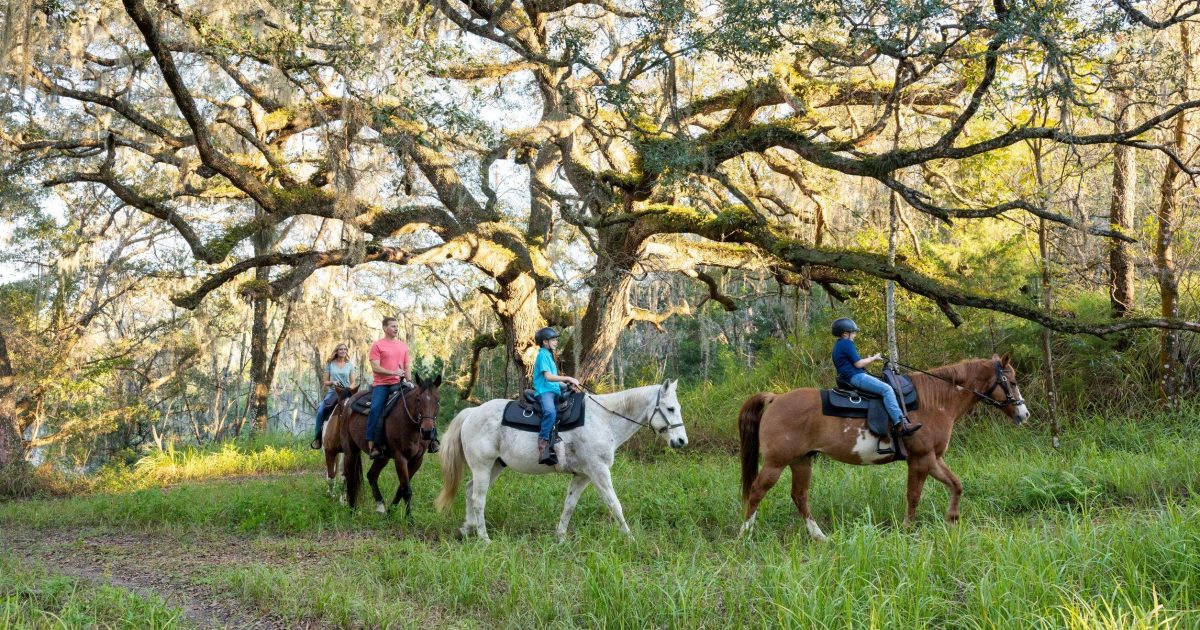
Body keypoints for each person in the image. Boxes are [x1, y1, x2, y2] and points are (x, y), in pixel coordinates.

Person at [831, 317, 921, 437]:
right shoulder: (847, 343)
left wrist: (869, 358)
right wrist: (873, 358)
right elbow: (858, 363)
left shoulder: (838, 345)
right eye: (853, 332)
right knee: (887, 389)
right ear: (845, 333)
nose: (855, 335)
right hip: (856, 377)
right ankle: (901, 423)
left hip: (849, 377)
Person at [366, 316, 439, 458]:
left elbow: (407, 366)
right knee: (375, 409)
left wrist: (410, 380)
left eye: (397, 326)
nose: (396, 329)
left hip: (400, 383)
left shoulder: (402, 345)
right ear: (385, 328)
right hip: (382, 385)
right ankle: (374, 444)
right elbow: (375, 367)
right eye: (393, 326)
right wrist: (393, 372)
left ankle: (433, 440)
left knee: (425, 402)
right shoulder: (377, 345)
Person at [532, 327, 581, 466]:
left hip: (554, 391)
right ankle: (543, 445)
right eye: (553, 340)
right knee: (550, 412)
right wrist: (569, 377)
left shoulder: (549, 356)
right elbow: (548, 377)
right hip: (544, 391)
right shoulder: (542, 355)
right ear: (545, 342)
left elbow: (556, 381)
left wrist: (567, 385)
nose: (556, 342)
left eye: (555, 339)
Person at [311, 343, 356, 450]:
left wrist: (349, 388)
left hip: (346, 392)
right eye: (341, 349)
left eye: (345, 349)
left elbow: (353, 382)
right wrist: (333, 382)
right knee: (321, 410)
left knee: (359, 409)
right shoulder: (330, 364)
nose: (343, 351)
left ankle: (358, 439)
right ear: (336, 351)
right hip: (334, 392)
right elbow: (325, 382)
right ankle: (318, 438)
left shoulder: (350, 365)